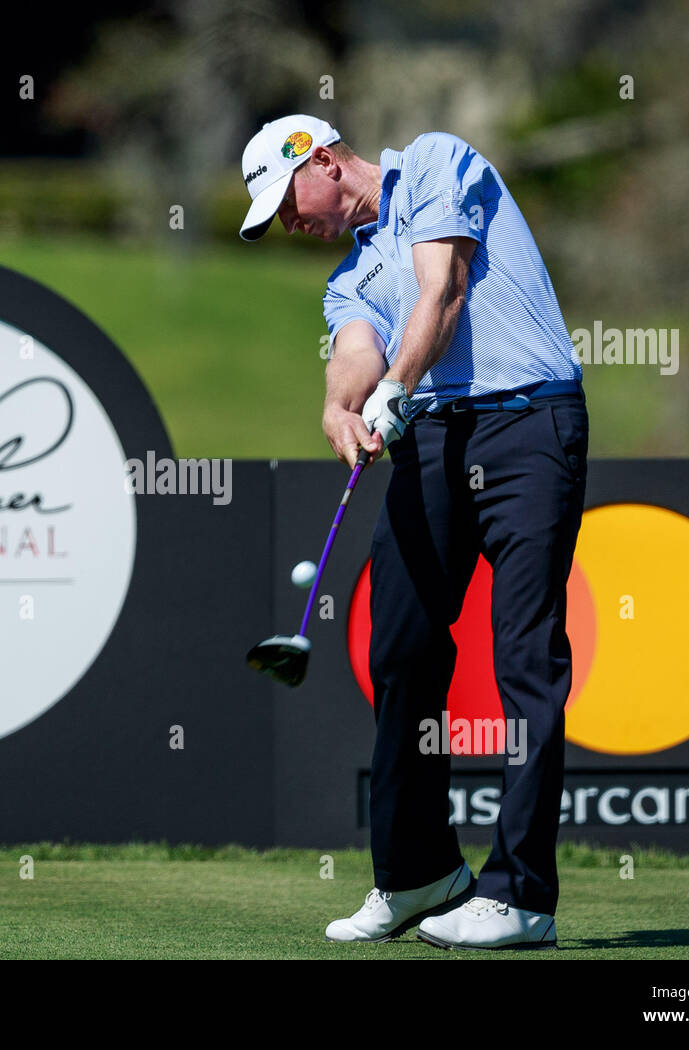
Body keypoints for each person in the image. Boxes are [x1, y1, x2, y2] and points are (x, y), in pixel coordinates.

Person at [239, 115, 588, 950]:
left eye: (286, 201)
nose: (289, 223)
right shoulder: (350, 274)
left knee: (526, 656)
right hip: (432, 436)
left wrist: (397, 382)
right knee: (397, 648)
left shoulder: (435, 161)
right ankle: (418, 872)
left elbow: (445, 287)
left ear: (322, 159)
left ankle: (522, 895)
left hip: (528, 422)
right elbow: (353, 348)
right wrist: (340, 403)